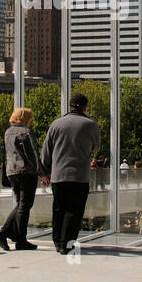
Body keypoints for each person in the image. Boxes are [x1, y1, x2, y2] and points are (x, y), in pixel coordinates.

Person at [39, 92, 100, 254]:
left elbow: (46, 151)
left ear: (70, 106)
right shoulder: (90, 125)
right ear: (85, 108)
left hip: (58, 176)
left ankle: (58, 241)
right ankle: (67, 243)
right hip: (80, 176)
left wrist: (44, 172)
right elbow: (95, 146)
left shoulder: (56, 124)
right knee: (74, 211)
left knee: (59, 209)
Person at [0, 107, 40, 251]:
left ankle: (15, 235)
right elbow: (32, 154)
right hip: (26, 172)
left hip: (12, 172)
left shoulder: (7, 132)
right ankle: (6, 234)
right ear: (25, 118)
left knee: (20, 205)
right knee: (25, 205)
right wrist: (42, 171)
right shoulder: (25, 132)